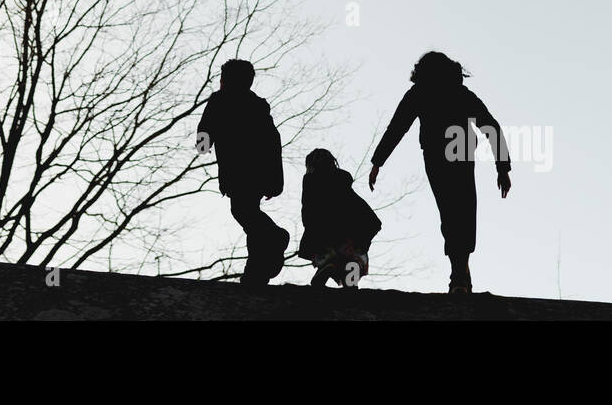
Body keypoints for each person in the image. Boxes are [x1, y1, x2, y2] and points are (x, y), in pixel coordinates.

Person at [369, 51, 511, 293]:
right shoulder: (456, 92)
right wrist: (502, 168)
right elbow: (490, 126)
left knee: (453, 213)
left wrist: (378, 162)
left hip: (441, 154)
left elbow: (398, 127)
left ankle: (459, 272)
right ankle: (460, 271)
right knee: (461, 212)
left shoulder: (422, 92)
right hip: (457, 151)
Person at [196, 59, 289, 285]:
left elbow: (205, 129)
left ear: (225, 80)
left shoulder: (220, 100)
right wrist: (275, 180)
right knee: (247, 213)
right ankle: (256, 269)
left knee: (243, 211)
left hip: (237, 171)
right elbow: (273, 142)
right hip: (258, 173)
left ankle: (274, 238)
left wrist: (203, 143)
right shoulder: (258, 106)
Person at [296, 148, 381, 288]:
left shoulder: (311, 182)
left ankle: (327, 265)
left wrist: (311, 231)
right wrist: (362, 241)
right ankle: (351, 279)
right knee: (354, 259)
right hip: (350, 236)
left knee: (329, 257)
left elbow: (307, 210)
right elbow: (370, 218)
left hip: (323, 235)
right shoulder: (344, 184)